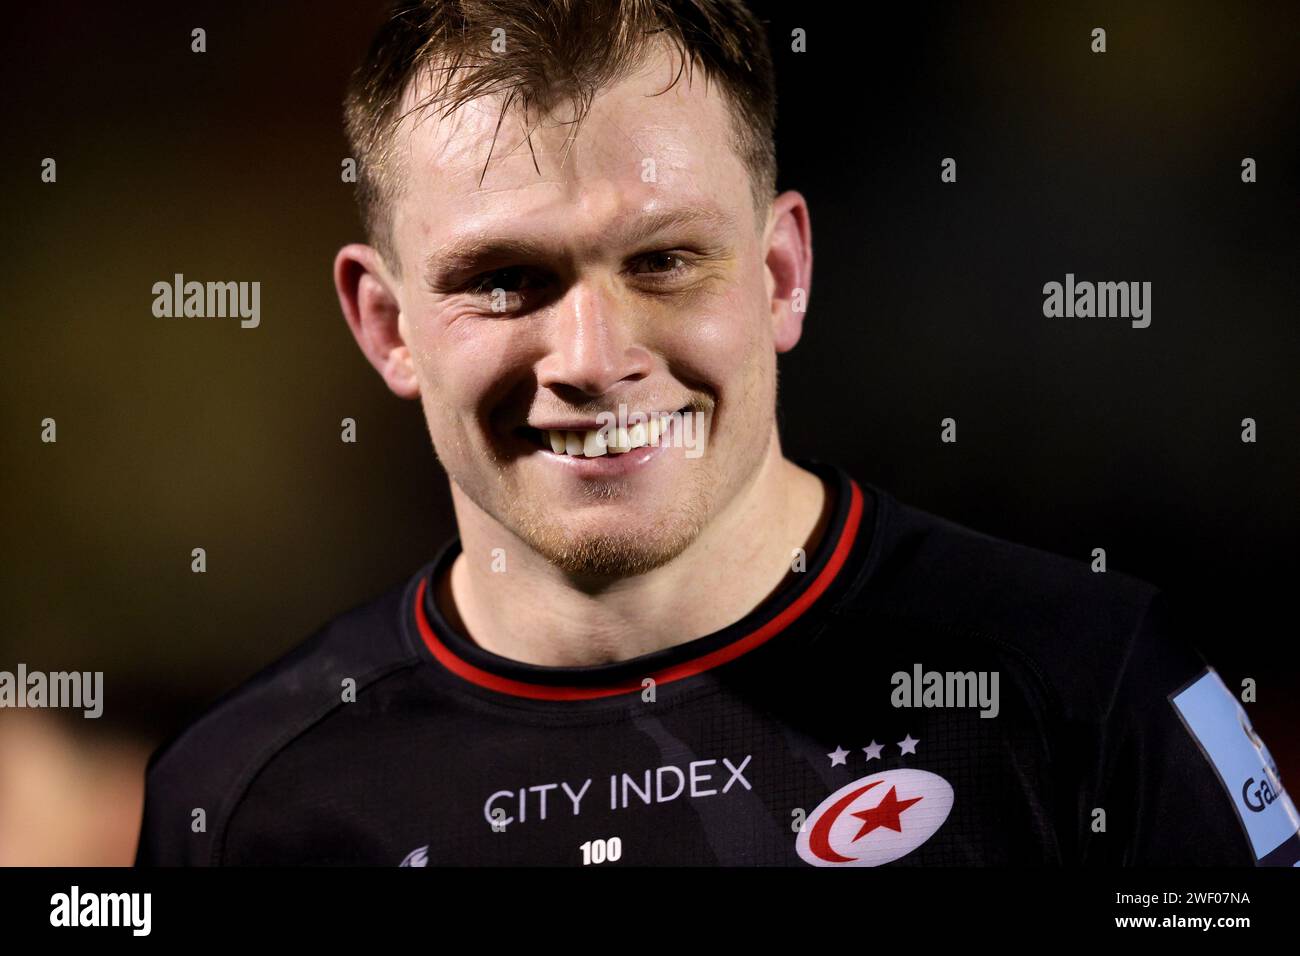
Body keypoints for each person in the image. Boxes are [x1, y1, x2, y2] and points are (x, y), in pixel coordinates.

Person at [134, 0, 1298, 866]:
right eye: (503, 279)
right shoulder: (241, 801)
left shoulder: (1086, 687)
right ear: (386, 324)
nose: (592, 355)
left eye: (664, 259)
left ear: (783, 273)